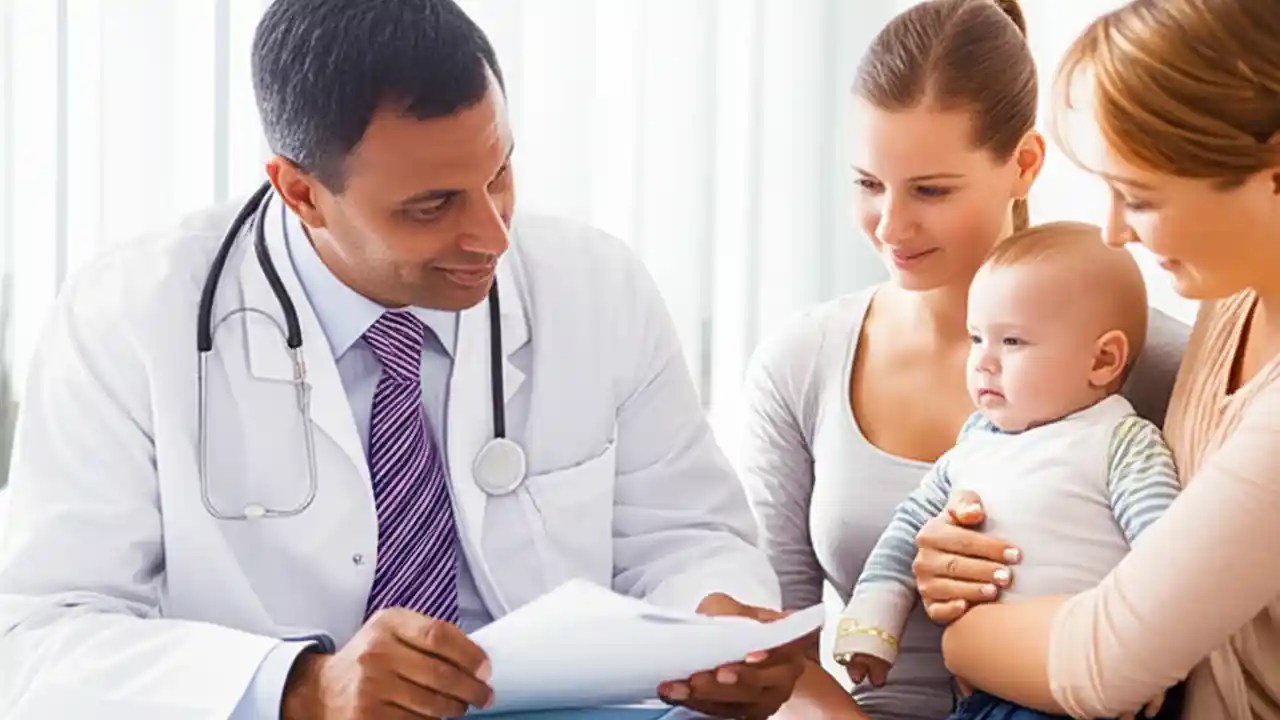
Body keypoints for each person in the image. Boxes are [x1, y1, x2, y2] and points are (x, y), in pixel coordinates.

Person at [0, 1, 810, 718]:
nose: (492, 236)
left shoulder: (596, 285)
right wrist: (301, 688)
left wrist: (718, 626)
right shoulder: (130, 317)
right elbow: (41, 640)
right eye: (432, 207)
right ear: (301, 192)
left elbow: (683, 534)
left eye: (499, 175)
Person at [737, 0, 1188, 717]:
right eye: (867, 183)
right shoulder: (802, 362)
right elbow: (774, 652)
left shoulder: (1152, 366)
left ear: (1025, 164)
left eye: (931, 190)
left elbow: (1188, 608)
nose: (890, 225)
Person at [910, 0, 1280, 717]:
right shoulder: (1231, 302)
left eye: (1138, 197)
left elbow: (1102, 661)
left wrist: (959, 634)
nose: (1113, 232)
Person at [833, 223, 1181, 720]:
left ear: (1103, 360)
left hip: (1079, 690)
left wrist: (1154, 655)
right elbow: (905, 533)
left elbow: (1167, 554)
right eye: (977, 338)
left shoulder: (1118, 441)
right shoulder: (972, 447)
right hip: (978, 696)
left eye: (1013, 341)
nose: (984, 363)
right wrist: (873, 623)